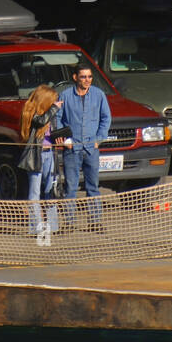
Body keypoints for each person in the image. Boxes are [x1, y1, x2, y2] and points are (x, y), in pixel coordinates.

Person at [58, 62, 111, 232]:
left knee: (93, 187)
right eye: (83, 77)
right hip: (72, 149)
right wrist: (65, 139)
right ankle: (70, 223)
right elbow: (57, 119)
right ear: (75, 78)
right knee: (71, 187)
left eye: (89, 76)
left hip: (91, 148)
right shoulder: (65, 96)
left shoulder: (99, 95)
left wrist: (99, 139)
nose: (87, 80)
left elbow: (106, 118)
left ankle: (95, 222)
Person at [18, 85, 68, 246]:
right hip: (36, 156)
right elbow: (40, 121)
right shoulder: (33, 113)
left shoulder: (50, 115)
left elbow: (52, 129)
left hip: (50, 154)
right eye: (52, 101)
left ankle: (52, 225)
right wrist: (54, 108)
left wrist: (61, 138)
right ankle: (36, 226)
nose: (56, 103)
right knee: (34, 192)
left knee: (51, 189)